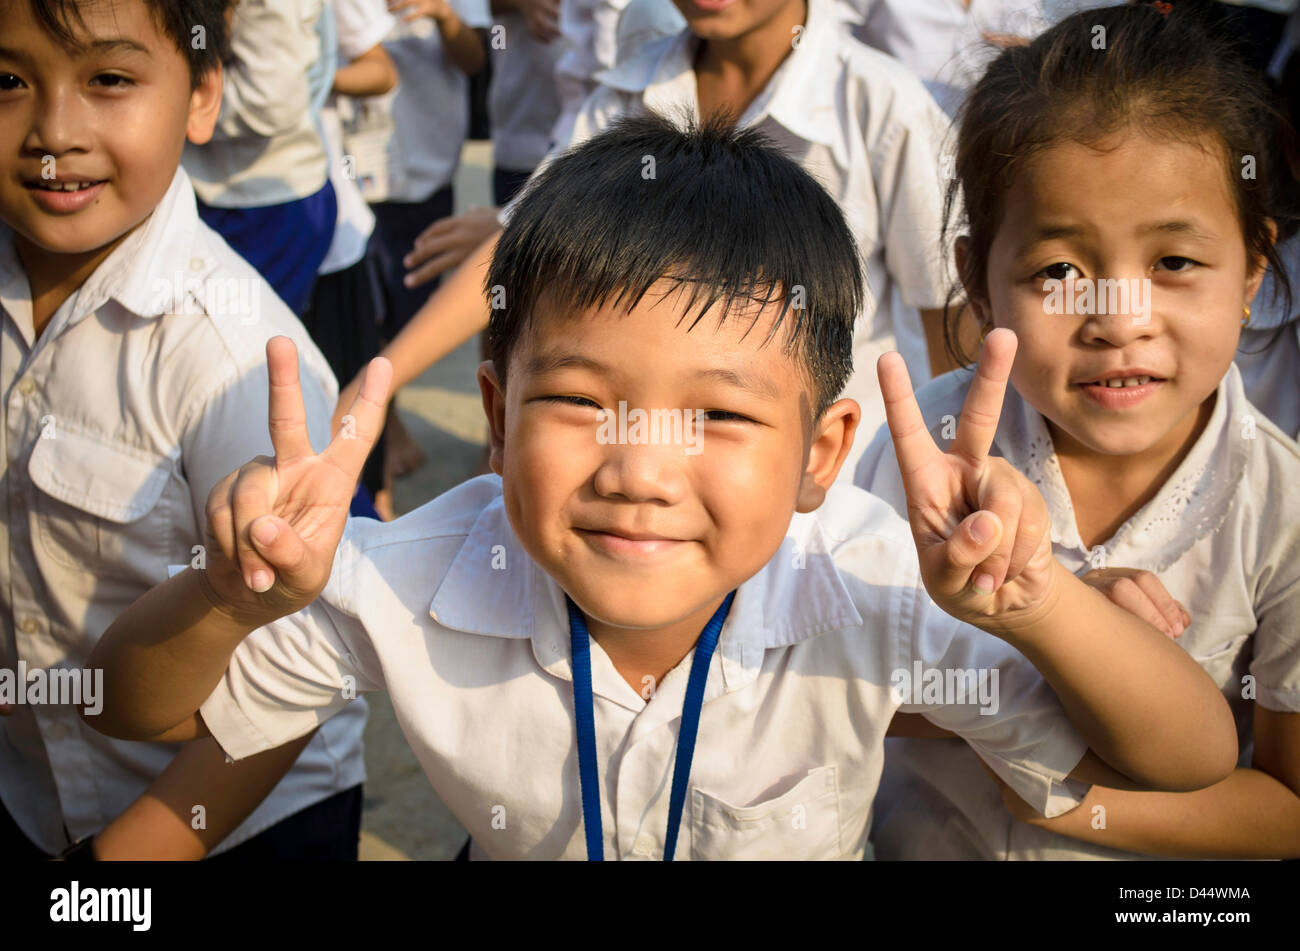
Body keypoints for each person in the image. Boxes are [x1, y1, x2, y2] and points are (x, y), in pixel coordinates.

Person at [87, 114, 1237, 860]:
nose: (639, 465)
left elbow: (1191, 760)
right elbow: (137, 711)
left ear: (821, 456)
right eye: (583, 401)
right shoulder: (407, 574)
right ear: (494, 418)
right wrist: (228, 598)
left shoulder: (877, 583)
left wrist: (1037, 605)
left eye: (722, 416)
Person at [856, 3, 1300, 859]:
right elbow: (834, 676)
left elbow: (1287, 805)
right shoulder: (930, 453)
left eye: (1173, 262)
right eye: (1059, 269)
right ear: (977, 284)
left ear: (1250, 271)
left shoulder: (1280, 507)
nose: (1119, 317)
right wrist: (1059, 640)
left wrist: (1068, 798)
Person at [0, 0, 367, 859]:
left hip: (224, 820)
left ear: (203, 95)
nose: (54, 130)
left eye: (110, 80)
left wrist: (114, 869)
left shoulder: (238, 355)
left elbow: (289, 687)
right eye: (8, 79)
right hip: (33, 790)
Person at [344, 0, 959, 482]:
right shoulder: (629, 90)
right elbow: (522, 248)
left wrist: (951, 463)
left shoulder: (880, 106)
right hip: (663, 476)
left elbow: (945, 321)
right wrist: (368, 392)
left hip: (835, 492)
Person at [183, 0, 338, 319]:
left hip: (261, 204)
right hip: (242, 192)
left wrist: (168, 105)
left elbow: (267, 101)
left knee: (238, 336)